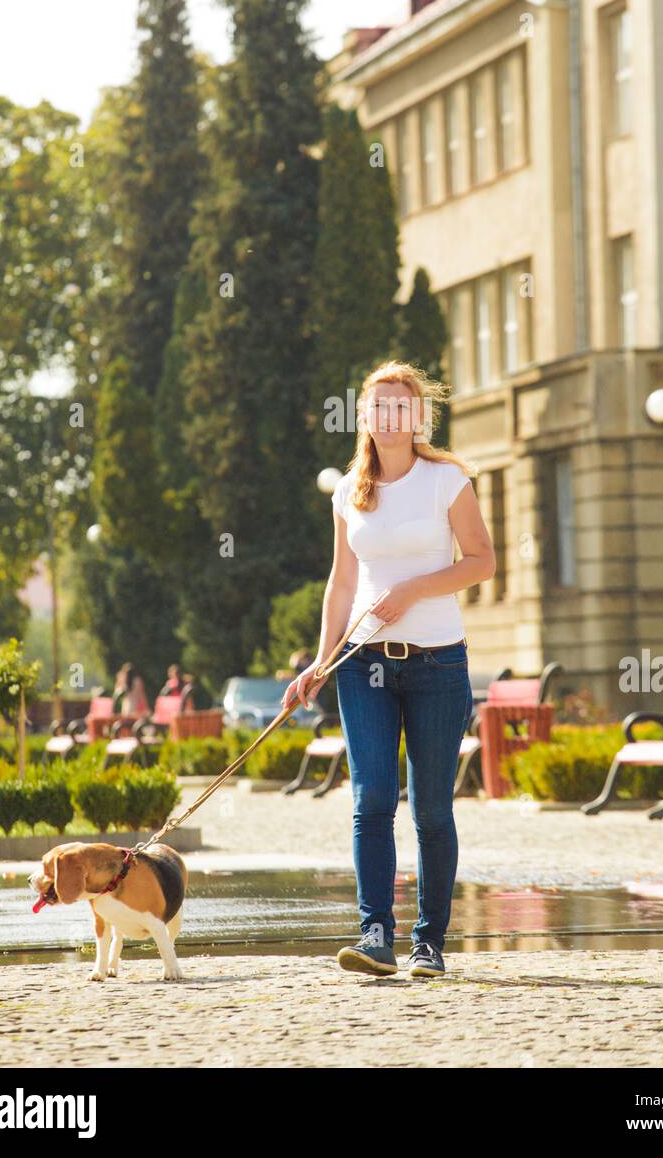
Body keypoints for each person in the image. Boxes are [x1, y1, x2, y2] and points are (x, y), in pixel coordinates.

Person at [284, 360, 495, 979]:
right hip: (364, 664)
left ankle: (429, 944)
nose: (390, 417)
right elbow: (341, 581)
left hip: (437, 664)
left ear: (419, 417)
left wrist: (414, 590)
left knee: (431, 807)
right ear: (364, 418)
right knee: (372, 798)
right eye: (379, 407)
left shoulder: (446, 480)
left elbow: (481, 561)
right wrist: (321, 660)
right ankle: (375, 934)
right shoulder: (349, 489)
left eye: (403, 407)